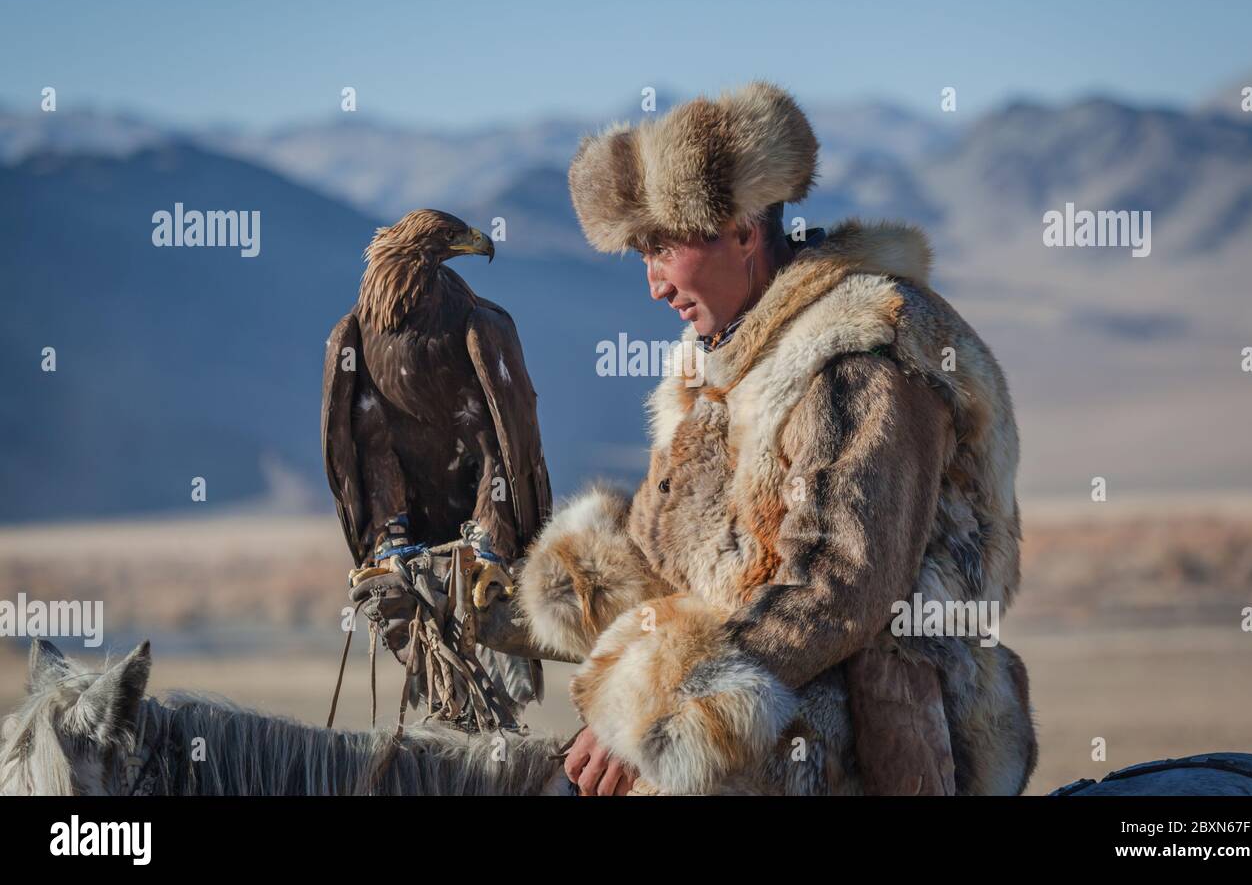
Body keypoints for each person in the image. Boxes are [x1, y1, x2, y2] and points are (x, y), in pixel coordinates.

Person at [360, 81, 1038, 796]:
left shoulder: (859, 357)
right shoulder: (714, 365)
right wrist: (489, 604)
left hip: (878, 733)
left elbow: (842, 585)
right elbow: (671, 567)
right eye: (640, 255)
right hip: (752, 696)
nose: (653, 285)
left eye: (661, 249)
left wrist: (656, 715)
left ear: (743, 229)